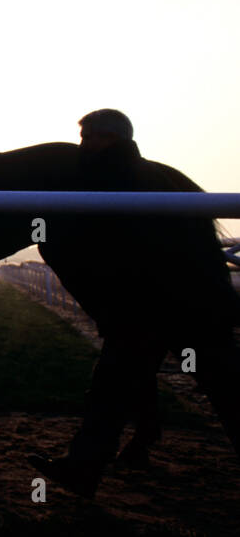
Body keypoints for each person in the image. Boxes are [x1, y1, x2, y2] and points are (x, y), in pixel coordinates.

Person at [31, 110, 240, 496]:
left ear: (109, 137)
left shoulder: (113, 180)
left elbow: (119, 253)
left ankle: (84, 467)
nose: (83, 144)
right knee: (217, 389)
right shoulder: (159, 176)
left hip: (160, 309)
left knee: (117, 389)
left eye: (89, 137)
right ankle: (83, 467)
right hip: (184, 307)